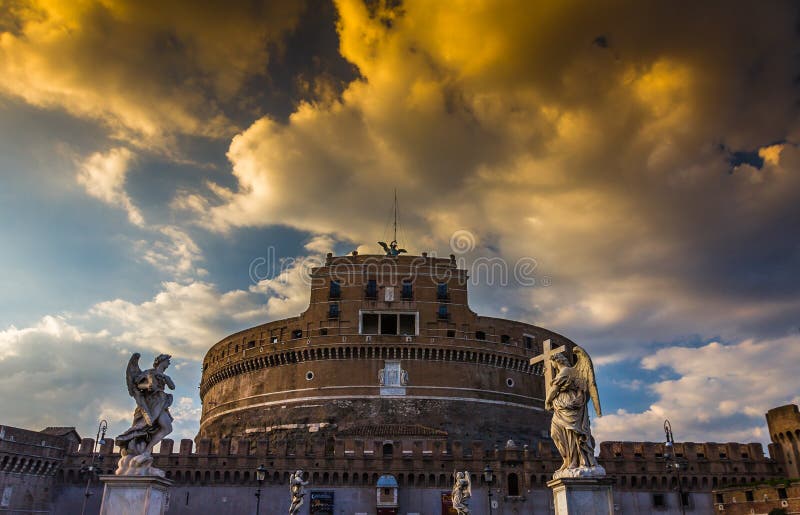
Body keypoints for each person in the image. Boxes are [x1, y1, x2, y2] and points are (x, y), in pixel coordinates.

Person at [545, 351, 600, 475]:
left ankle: (574, 461)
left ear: (557, 361)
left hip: (569, 406)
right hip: (562, 408)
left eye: (552, 363)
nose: (552, 365)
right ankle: (567, 459)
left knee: (572, 434)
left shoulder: (566, 371)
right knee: (556, 433)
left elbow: (555, 389)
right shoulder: (567, 372)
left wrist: (547, 401)